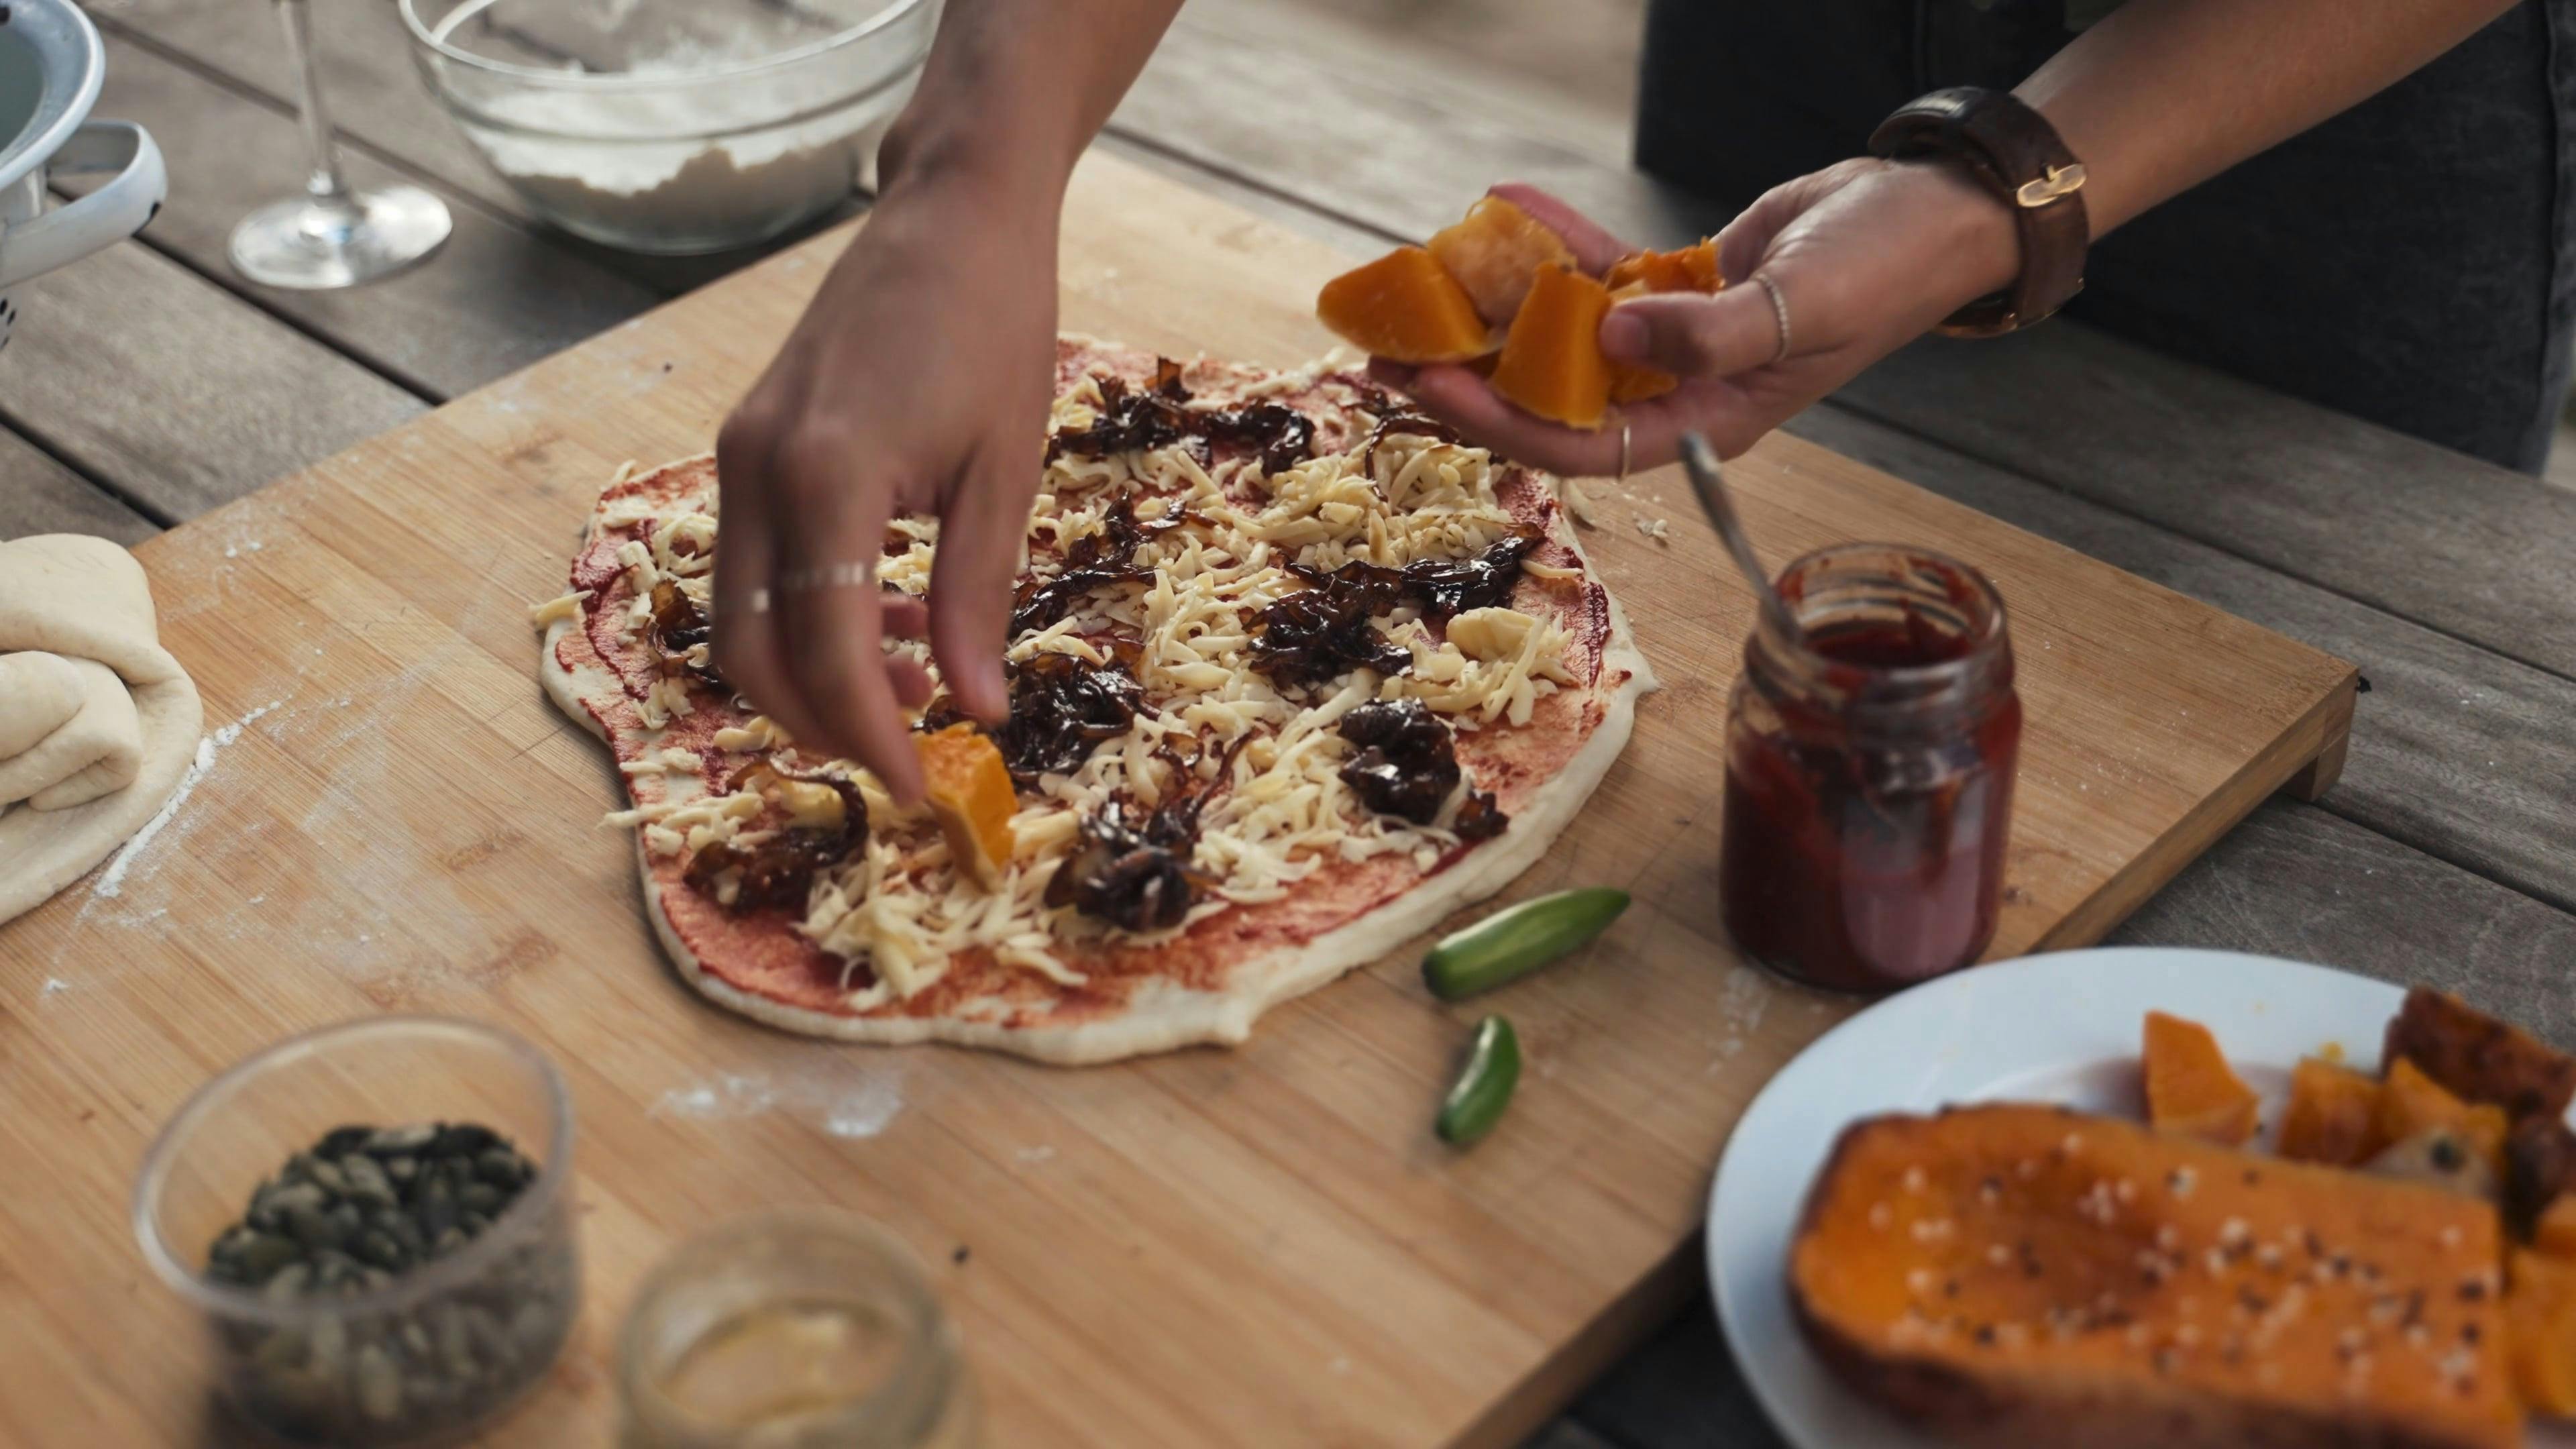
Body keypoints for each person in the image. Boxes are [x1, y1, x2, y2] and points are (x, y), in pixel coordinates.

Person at [713, 0, 2557, 804]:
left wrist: (2001, 192)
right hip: (1804, 42)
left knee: (2287, 659)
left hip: (2314, 113)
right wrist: (971, 165)